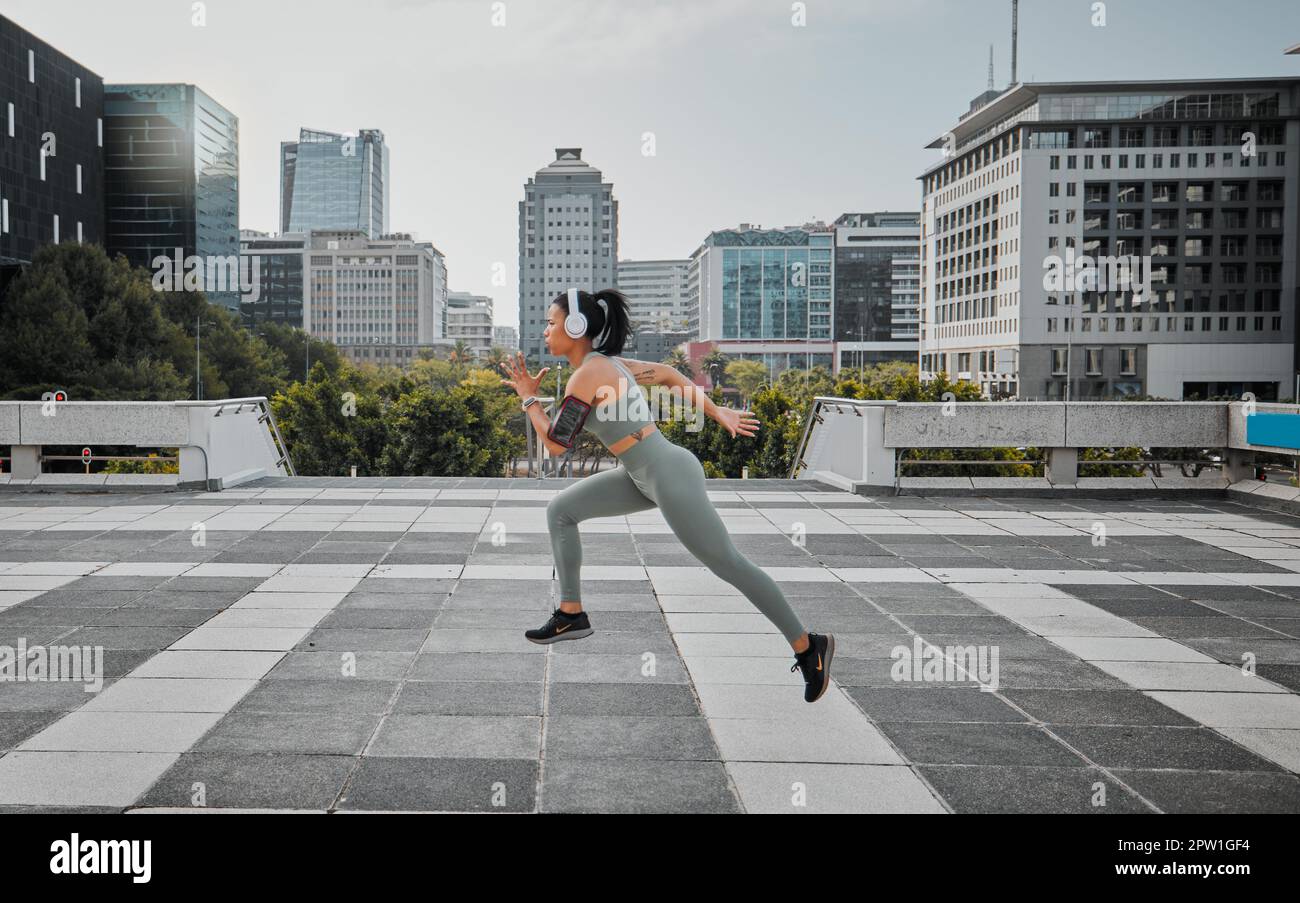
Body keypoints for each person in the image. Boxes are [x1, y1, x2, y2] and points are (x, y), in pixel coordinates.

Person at [499, 287, 834, 702]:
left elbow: (554, 444)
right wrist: (718, 411)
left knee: (728, 563)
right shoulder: (609, 364)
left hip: (668, 473)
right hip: (641, 474)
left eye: (551, 323)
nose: (545, 331)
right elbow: (670, 375)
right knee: (561, 510)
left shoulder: (588, 374)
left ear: (576, 327)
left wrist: (528, 397)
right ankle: (571, 613)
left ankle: (808, 646)